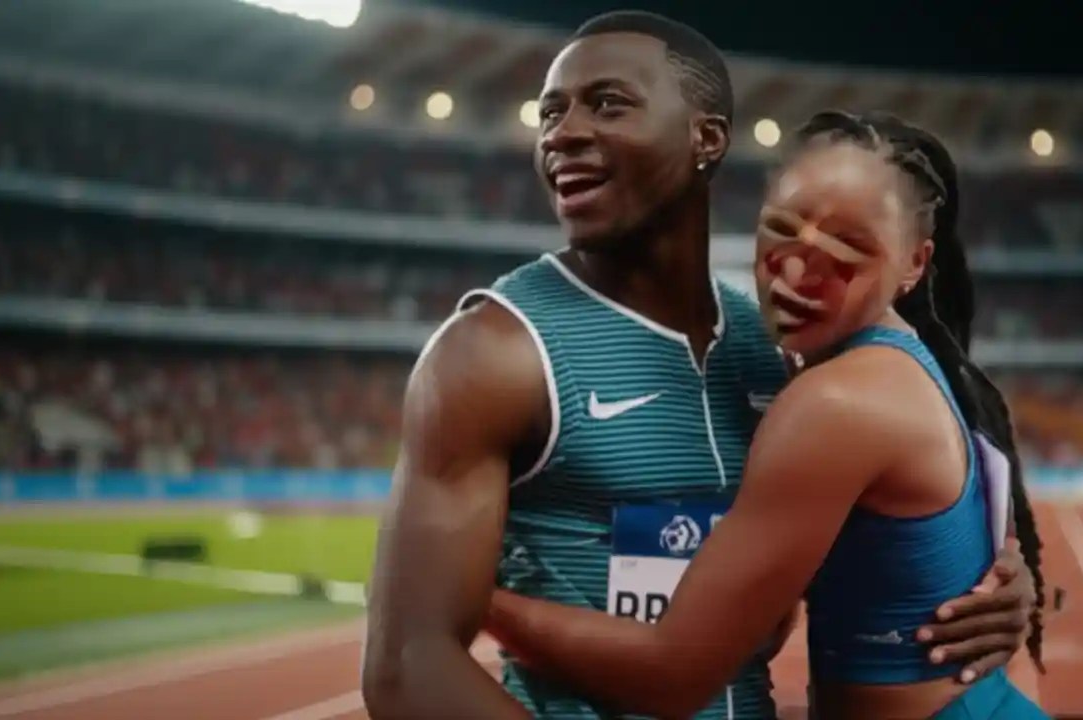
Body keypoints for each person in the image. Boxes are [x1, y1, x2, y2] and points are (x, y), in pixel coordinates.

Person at [361, 11, 1041, 719]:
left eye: (608, 103)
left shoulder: (772, 352)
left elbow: (830, 571)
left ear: (706, 138)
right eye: (549, 112)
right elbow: (409, 669)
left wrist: (988, 583)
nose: (561, 133)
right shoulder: (493, 352)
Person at [482, 110, 1048, 720]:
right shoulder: (889, 364)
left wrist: (474, 598)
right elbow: (774, 621)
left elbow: (673, 674)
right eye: (781, 230)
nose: (796, 275)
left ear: (914, 264)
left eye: (848, 251)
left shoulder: (837, 403)